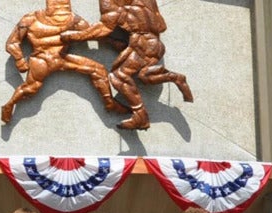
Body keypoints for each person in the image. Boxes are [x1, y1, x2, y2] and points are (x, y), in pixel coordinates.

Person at [60, 0, 193, 129]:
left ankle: (140, 117)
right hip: (154, 43)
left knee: (118, 77)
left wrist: (74, 36)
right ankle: (174, 77)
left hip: (142, 43)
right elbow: (162, 26)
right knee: (144, 76)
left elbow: (105, 27)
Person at [0, 0, 127, 124]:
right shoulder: (30, 19)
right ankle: (9, 104)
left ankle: (109, 102)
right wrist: (19, 60)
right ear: (48, 4)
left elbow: (92, 33)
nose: (61, 6)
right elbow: (12, 43)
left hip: (62, 57)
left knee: (98, 70)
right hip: (41, 59)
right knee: (31, 88)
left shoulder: (73, 19)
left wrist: (113, 43)